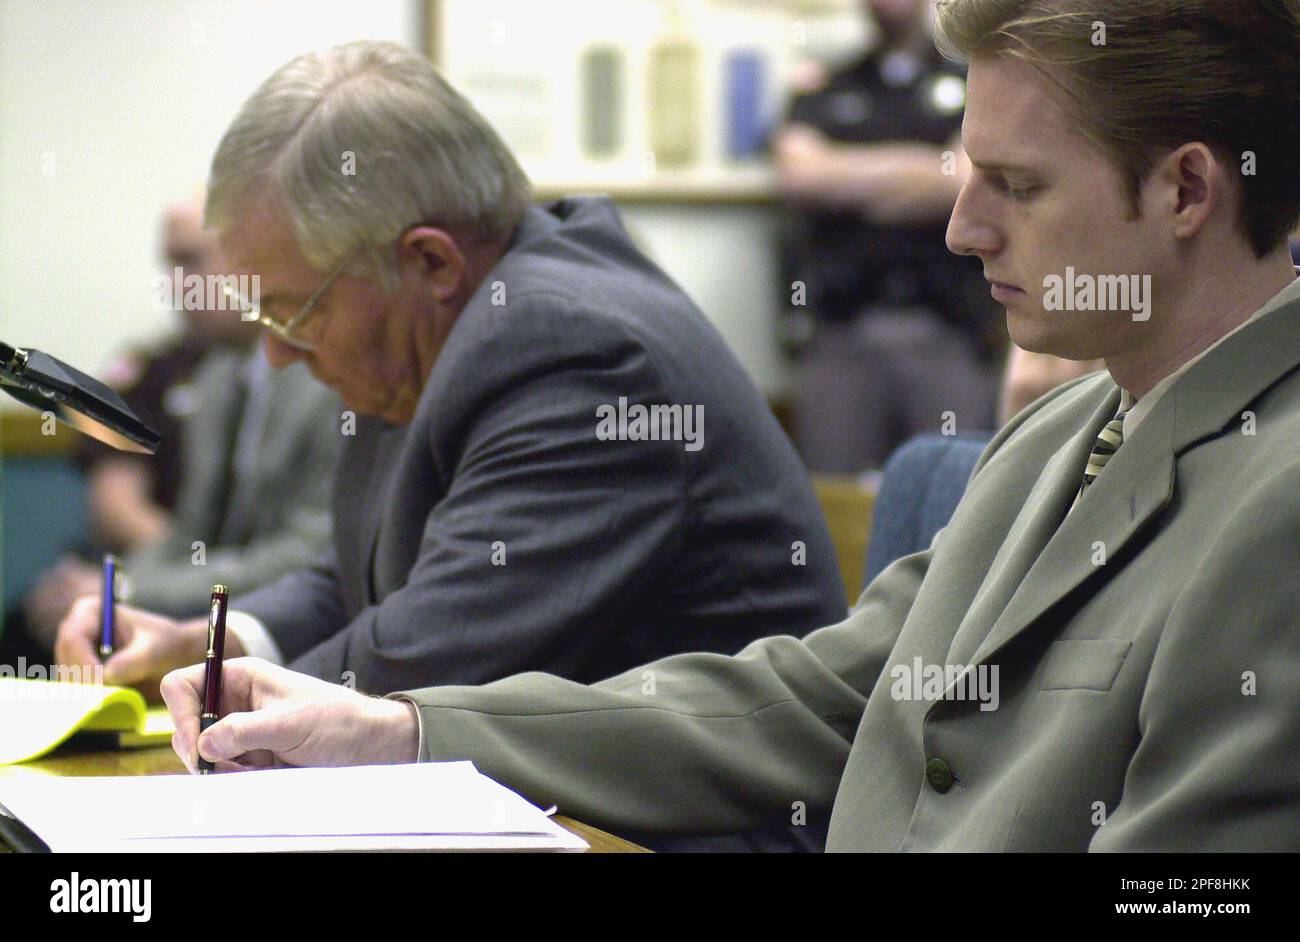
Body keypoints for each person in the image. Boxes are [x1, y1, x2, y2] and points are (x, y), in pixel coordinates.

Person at [163, 0, 1300, 852]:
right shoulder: (1058, 433)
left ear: (1185, 191)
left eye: (1019, 185)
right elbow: (813, 698)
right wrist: (405, 733)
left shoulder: (1278, 496)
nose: (963, 229)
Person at [56, 42, 845, 708]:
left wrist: (220, 690)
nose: (277, 354)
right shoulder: (426, 326)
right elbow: (365, 574)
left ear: (430, 261)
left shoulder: (577, 353)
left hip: (690, 819)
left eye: (294, 314)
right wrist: (211, 644)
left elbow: (425, 659)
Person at [21, 196, 341, 642]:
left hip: (293, 634)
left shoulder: (333, 378)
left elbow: (305, 559)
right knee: (45, 625)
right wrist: (108, 590)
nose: (175, 286)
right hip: (210, 612)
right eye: (171, 267)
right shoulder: (218, 376)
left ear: (255, 257)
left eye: (190, 262)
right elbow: (189, 537)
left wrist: (129, 592)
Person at [776, 0, 1004, 472]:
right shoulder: (825, 86)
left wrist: (846, 180)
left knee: (956, 487)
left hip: (946, 331)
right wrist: (921, 175)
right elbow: (801, 176)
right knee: (834, 497)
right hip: (843, 332)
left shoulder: (972, 82)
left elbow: (966, 178)